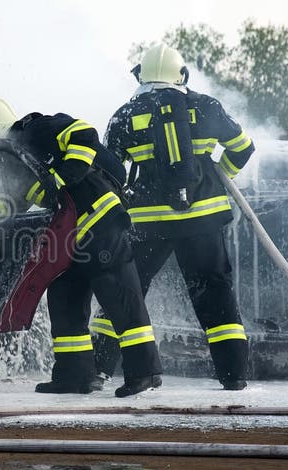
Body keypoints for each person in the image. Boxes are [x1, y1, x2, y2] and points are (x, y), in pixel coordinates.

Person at [0, 97, 162, 397]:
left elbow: (83, 133)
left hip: (99, 221)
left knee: (119, 296)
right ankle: (75, 376)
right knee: (64, 298)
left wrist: (62, 177)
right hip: (69, 236)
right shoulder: (15, 158)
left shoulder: (35, 130)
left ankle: (144, 372)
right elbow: (13, 201)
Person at [99, 44, 256, 390]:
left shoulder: (125, 115)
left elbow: (109, 170)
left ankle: (99, 367)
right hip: (203, 220)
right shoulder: (207, 106)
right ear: (181, 74)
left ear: (141, 76)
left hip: (147, 223)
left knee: (125, 290)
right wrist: (217, 179)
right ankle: (234, 375)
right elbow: (244, 147)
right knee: (215, 292)